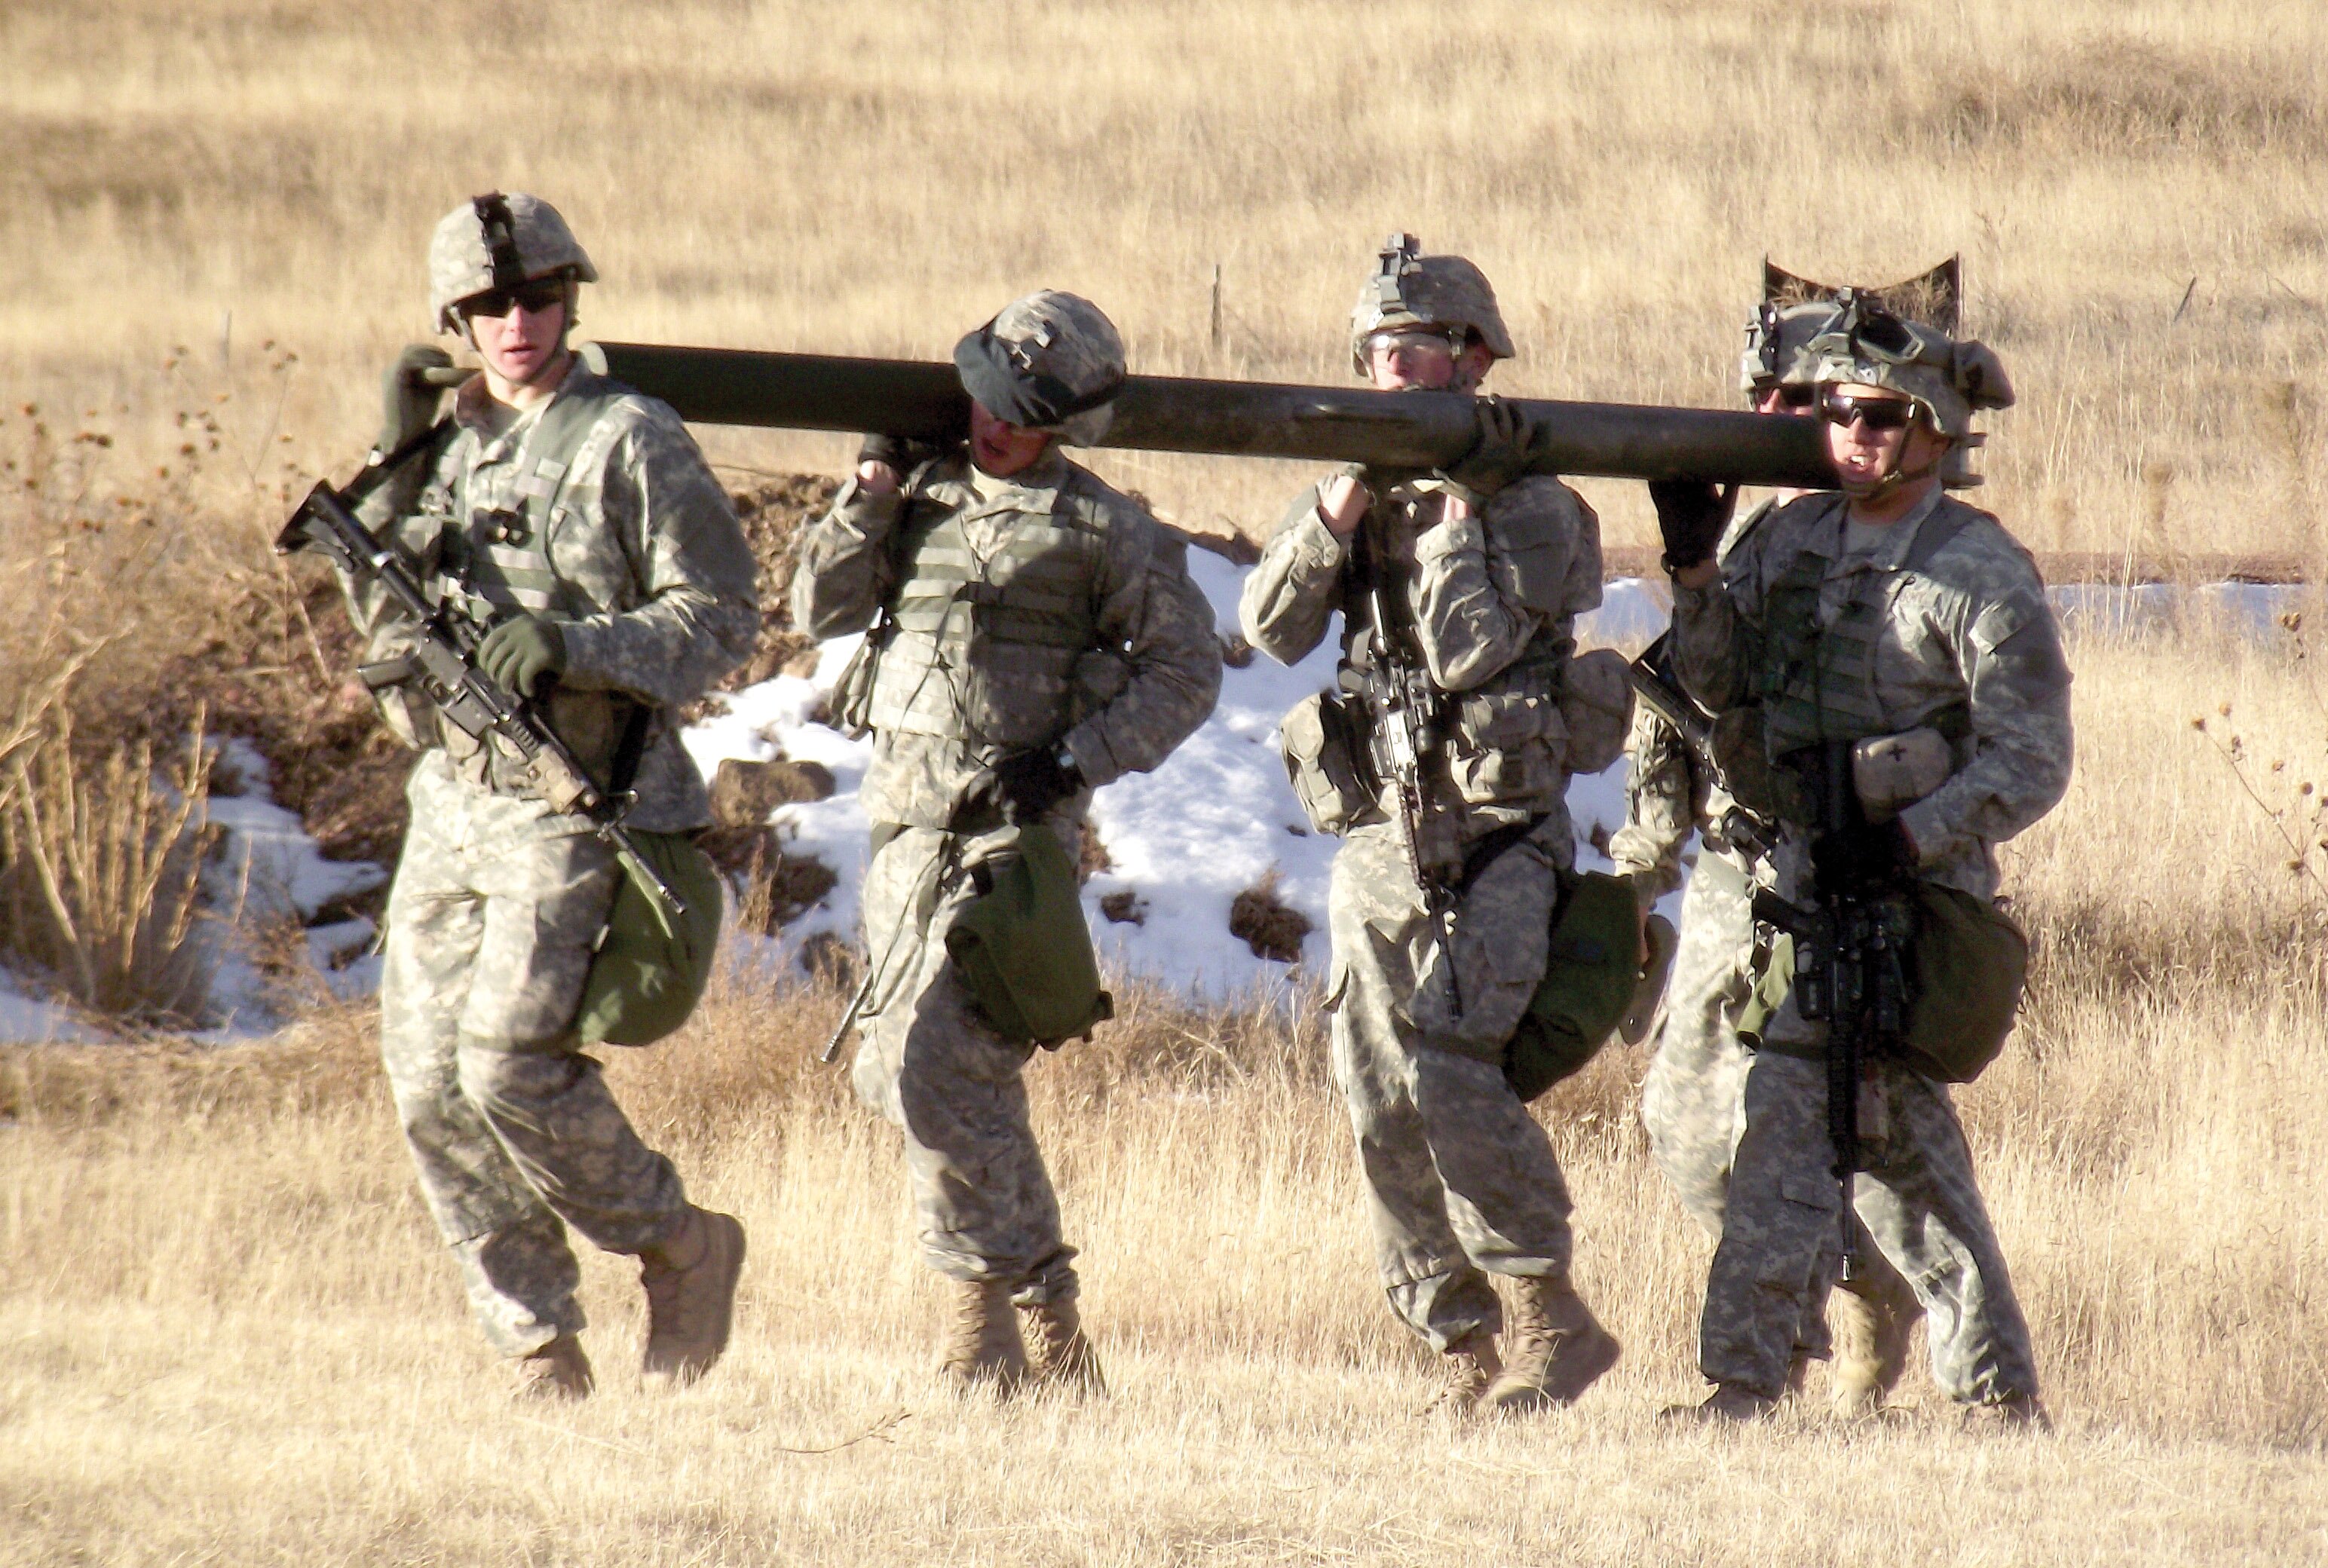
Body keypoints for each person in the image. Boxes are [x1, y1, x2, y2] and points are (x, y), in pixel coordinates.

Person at [335, 192, 760, 1400]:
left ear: (573, 297)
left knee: (509, 1063)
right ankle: (536, 1344)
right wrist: (392, 462)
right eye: (486, 304)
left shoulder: (630, 436)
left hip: (577, 796)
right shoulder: (441, 447)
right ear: (452, 318)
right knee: (425, 1081)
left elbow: (723, 617)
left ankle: (681, 1245)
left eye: (535, 297)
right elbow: (379, 625)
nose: (514, 321)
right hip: (455, 793)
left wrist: (575, 644)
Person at [791, 290, 1222, 1395]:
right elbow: (816, 605)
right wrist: (867, 497)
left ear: (1068, 422)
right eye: (988, 399)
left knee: (942, 1065)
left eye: (1027, 413)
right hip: (901, 833)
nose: (997, 425)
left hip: (1011, 847)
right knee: (916, 1079)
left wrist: (1075, 762)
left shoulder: (1104, 529)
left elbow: (1185, 672)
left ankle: (976, 1327)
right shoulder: (917, 494)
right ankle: (1056, 1329)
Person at [1653, 295, 2069, 1424]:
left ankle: (1970, 1392)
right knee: (1816, 1129)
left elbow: (2032, 760)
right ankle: (1763, 1385)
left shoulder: (1979, 571)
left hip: (1905, 904)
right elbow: (1719, 685)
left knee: (1896, 1153)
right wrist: (1694, 573)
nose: (1857, 433)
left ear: (1939, 429)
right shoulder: (1789, 539)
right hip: (1796, 884)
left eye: (1885, 415)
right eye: (1839, 412)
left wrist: (1905, 836)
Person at [1240, 236, 1621, 1416]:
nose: (1386, 373)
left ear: (1470, 360)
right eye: (1372, 355)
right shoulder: (1358, 497)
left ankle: (1551, 1317)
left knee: (1454, 1066)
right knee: (1375, 1090)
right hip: (1382, 840)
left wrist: (1457, 517)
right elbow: (1267, 628)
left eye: (1407, 353)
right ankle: (1457, 1343)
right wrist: (1334, 512)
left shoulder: (1541, 504)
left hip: (1501, 832)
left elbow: (1472, 650)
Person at [1610, 297, 1924, 1414]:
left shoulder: (1887, 546)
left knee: (1811, 1132)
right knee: (1684, 1127)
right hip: (1729, 875)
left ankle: (1780, 1364)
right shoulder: (1758, 542)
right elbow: (1694, 698)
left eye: (1799, 400)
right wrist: (1637, 867)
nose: (1774, 419)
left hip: (1837, 875)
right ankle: (1854, 1290)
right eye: (1766, 398)